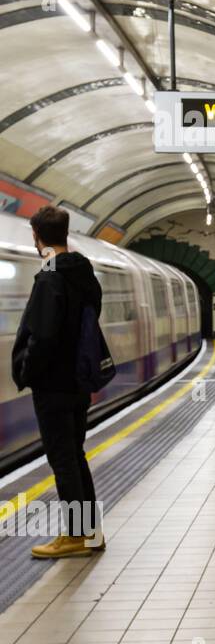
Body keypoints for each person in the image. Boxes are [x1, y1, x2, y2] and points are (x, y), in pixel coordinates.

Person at [11, 206, 105, 559]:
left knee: (63, 458)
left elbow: (44, 335)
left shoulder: (50, 276)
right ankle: (91, 532)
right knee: (75, 454)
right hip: (79, 379)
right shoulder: (83, 272)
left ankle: (76, 536)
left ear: (37, 235)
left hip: (54, 383)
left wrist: (27, 369)